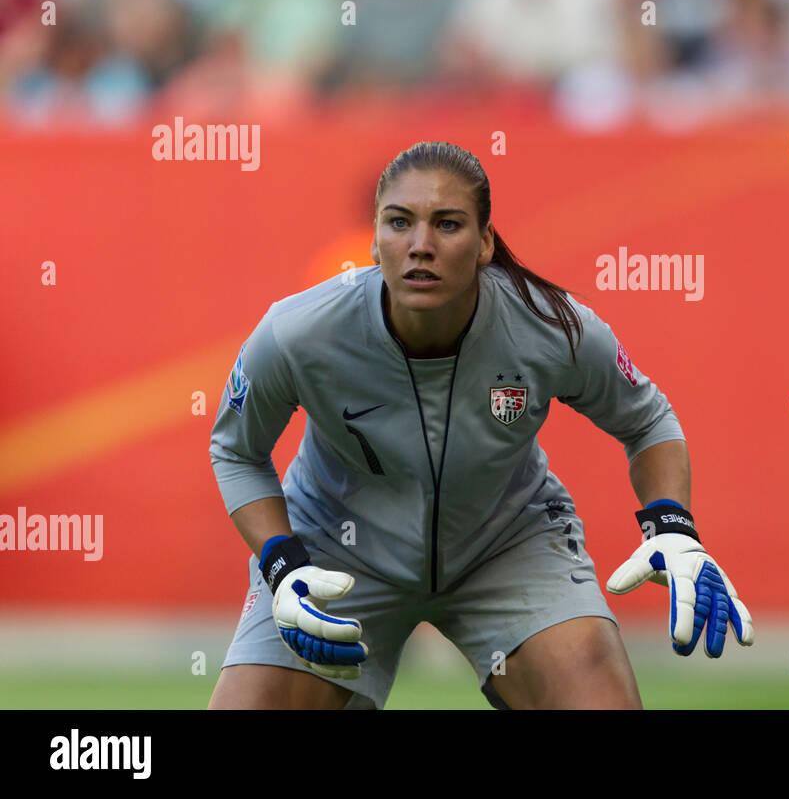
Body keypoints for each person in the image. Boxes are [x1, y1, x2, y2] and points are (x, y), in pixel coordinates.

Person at [206, 141, 753, 709]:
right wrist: (282, 563)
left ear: (485, 241)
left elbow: (648, 420)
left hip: (508, 545)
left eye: (447, 224)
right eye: (399, 223)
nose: (420, 246)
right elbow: (237, 451)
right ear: (373, 239)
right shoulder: (298, 331)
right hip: (336, 554)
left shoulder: (553, 326)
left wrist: (673, 526)